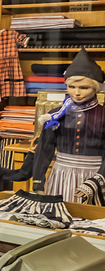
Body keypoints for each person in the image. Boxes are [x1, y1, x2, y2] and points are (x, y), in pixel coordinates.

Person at [33, 48, 105, 201]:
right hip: (61, 176)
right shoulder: (55, 114)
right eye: (71, 87)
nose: (76, 92)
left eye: (84, 87)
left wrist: (95, 181)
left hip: (94, 176)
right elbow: (44, 149)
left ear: (96, 88)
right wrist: (38, 183)